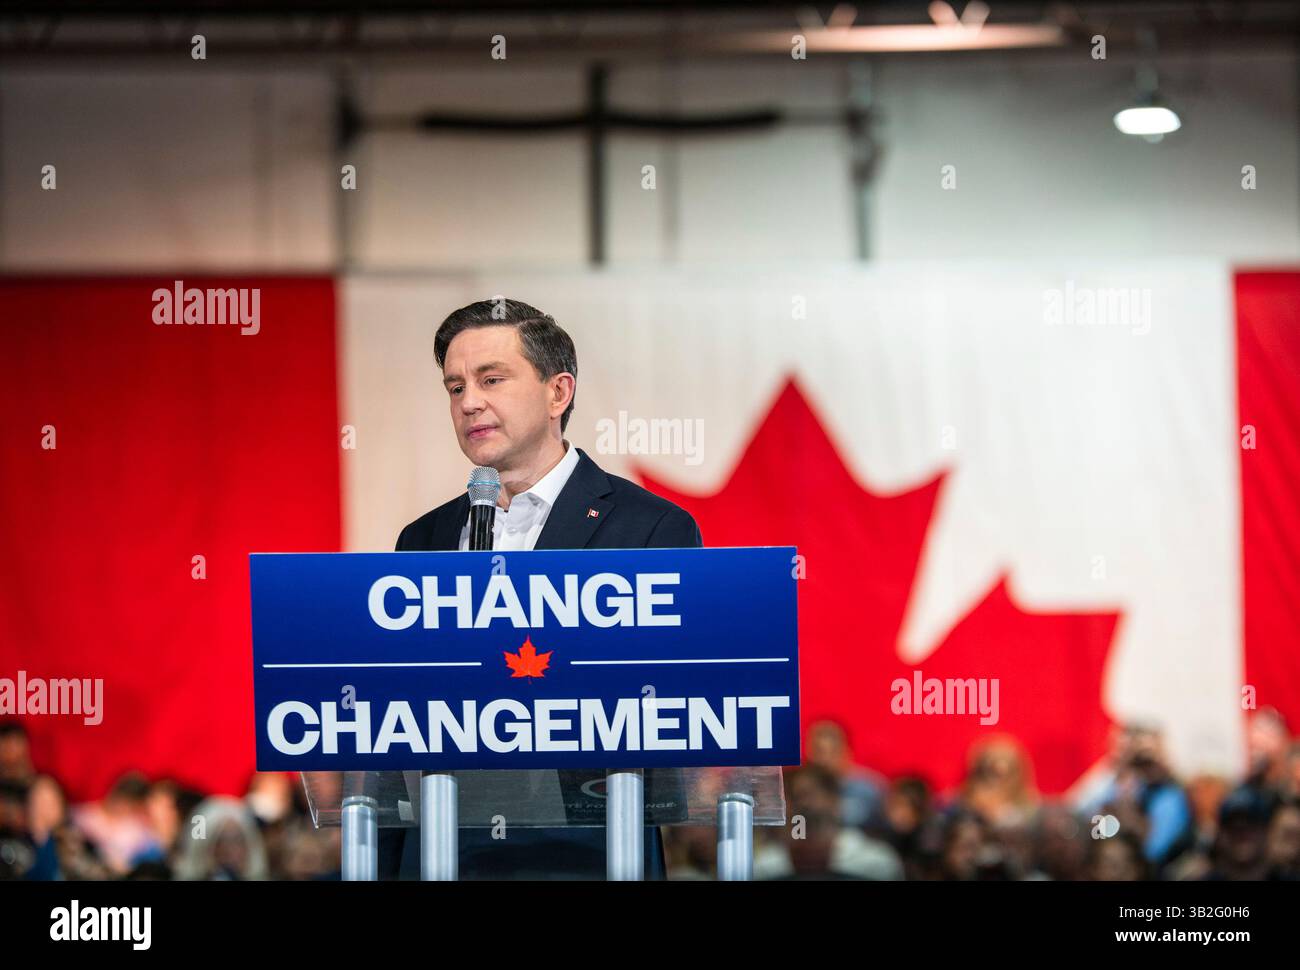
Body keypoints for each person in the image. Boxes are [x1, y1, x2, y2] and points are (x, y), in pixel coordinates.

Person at [379, 298, 702, 880]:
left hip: (589, 848)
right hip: (442, 848)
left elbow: (676, 703)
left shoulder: (651, 528)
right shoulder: (423, 538)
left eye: (491, 379)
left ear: (559, 393)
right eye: (454, 388)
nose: (468, 401)